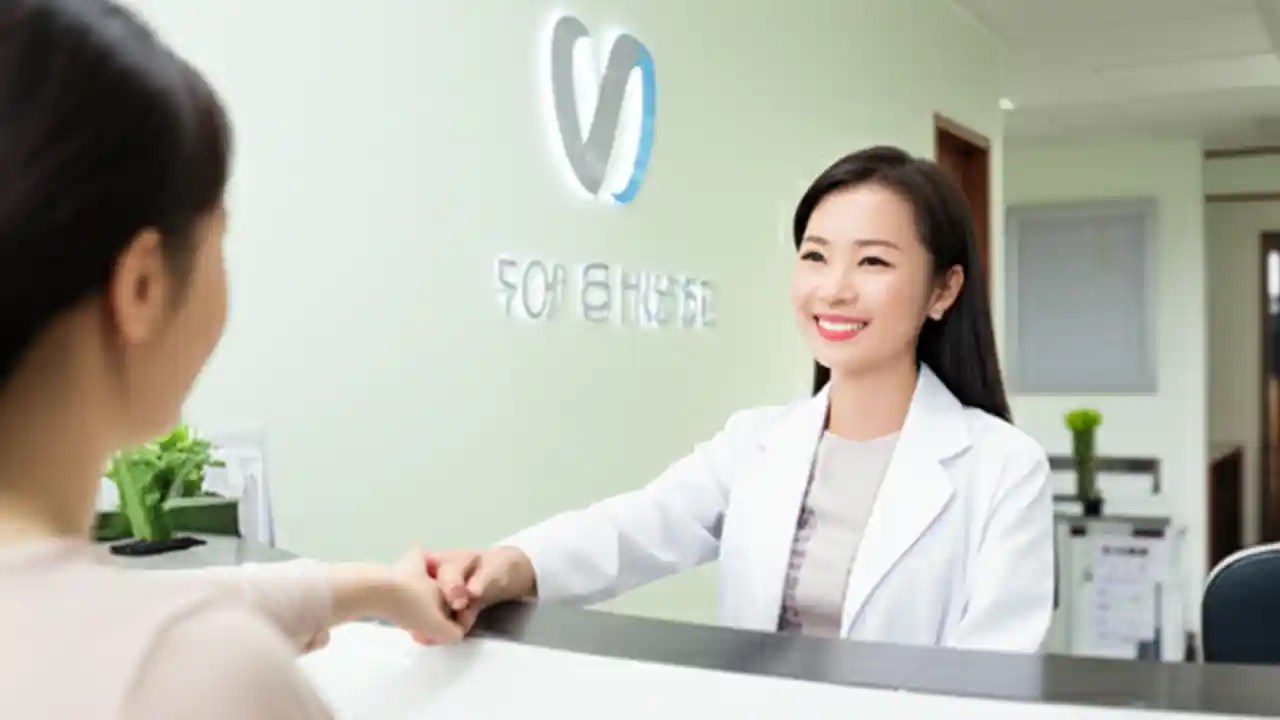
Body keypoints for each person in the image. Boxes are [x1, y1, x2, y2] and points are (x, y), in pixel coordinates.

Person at [0, 1, 460, 718]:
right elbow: (157, 648)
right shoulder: (195, 674)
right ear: (143, 286)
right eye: (221, 237)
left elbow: (128, 612)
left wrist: (374, 587)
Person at [432, 146, 1055, 653]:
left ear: (942, 291)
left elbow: (995, 677)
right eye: (815, 256)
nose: (833, 289)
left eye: (872, 262)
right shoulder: (757, 442)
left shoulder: (1003, 466)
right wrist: (507, 565)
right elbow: (635, 528)